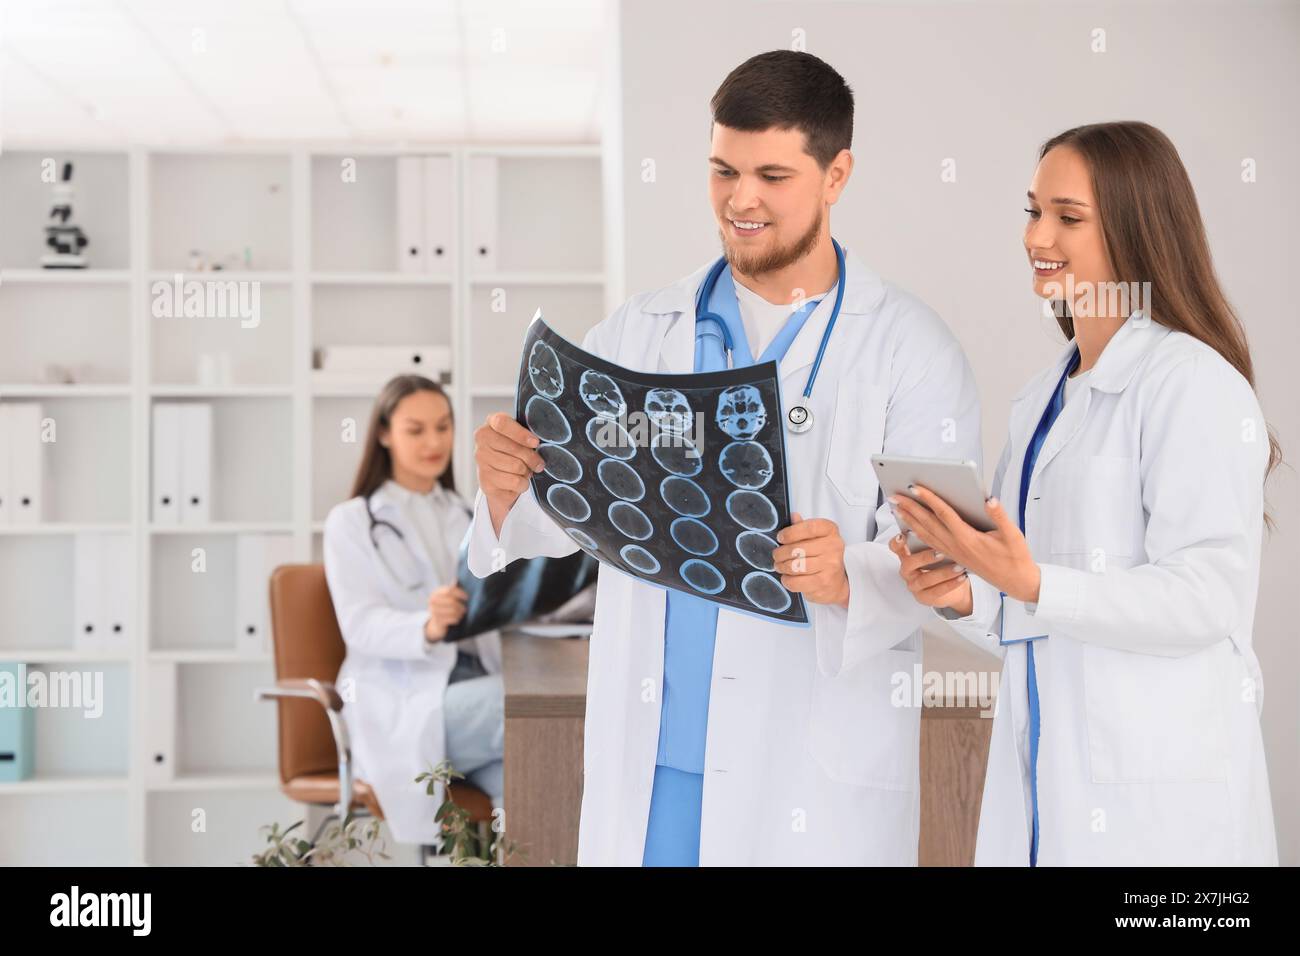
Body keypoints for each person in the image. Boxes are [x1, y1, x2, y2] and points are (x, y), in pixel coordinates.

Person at [468, 51, 982, 865]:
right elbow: (563, 520)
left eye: (772, 174)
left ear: (836, 174)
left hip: (809, 769)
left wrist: (851, 572)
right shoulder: (641, 333)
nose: (741, 199)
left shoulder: (910, 350)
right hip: (658, 762)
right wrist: (505, 491)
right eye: (722, 170)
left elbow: (951, 561)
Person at [890, 121, 1280, 865]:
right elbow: (1035, 609)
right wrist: (962, 590)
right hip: (1047, 793)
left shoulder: (1192, 385)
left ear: (1137, 231)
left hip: (1160, 812)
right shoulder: (1043, 400)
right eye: (1032, 210)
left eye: (1068, 217)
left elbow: (1207, 599)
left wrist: (1029, 580)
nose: (1039, 235)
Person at [323, 374, 504, 845]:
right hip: (401, 698)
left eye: (443, 427)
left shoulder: (467, 515)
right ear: (384, 433)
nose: (434, 441)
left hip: (472, 686)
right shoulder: (353, 522)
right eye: (416, 429)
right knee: (528, 712)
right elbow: (359, 624)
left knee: (539, 776)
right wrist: (426, 625)